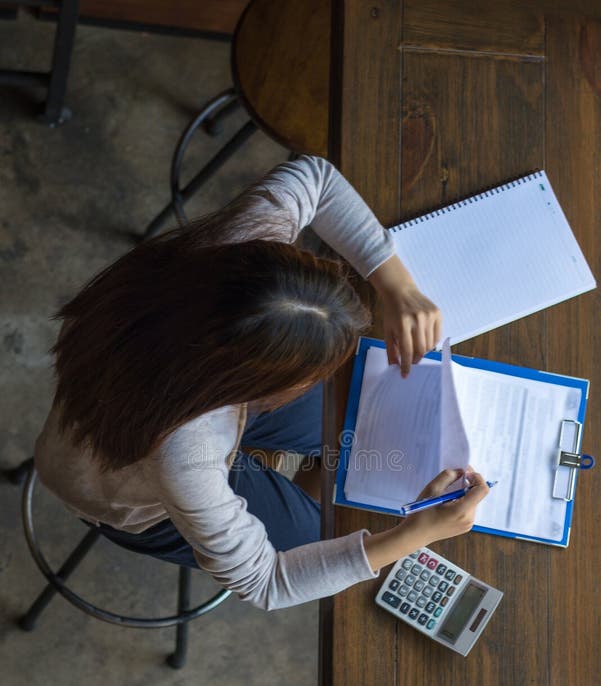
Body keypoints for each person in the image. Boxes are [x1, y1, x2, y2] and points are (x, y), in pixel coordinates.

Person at [35, 156, 489, 611]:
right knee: (329, 534)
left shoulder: (233, 257)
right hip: (128, 485)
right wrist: (416, 533)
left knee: (362, 424)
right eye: (310, 374)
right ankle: (297, 503)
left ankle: (292, 493)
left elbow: (317, 177)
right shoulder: (185, 457)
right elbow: (268, 580)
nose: (322, 378)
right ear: (254, 384)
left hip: (175, 388)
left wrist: (396, 284)